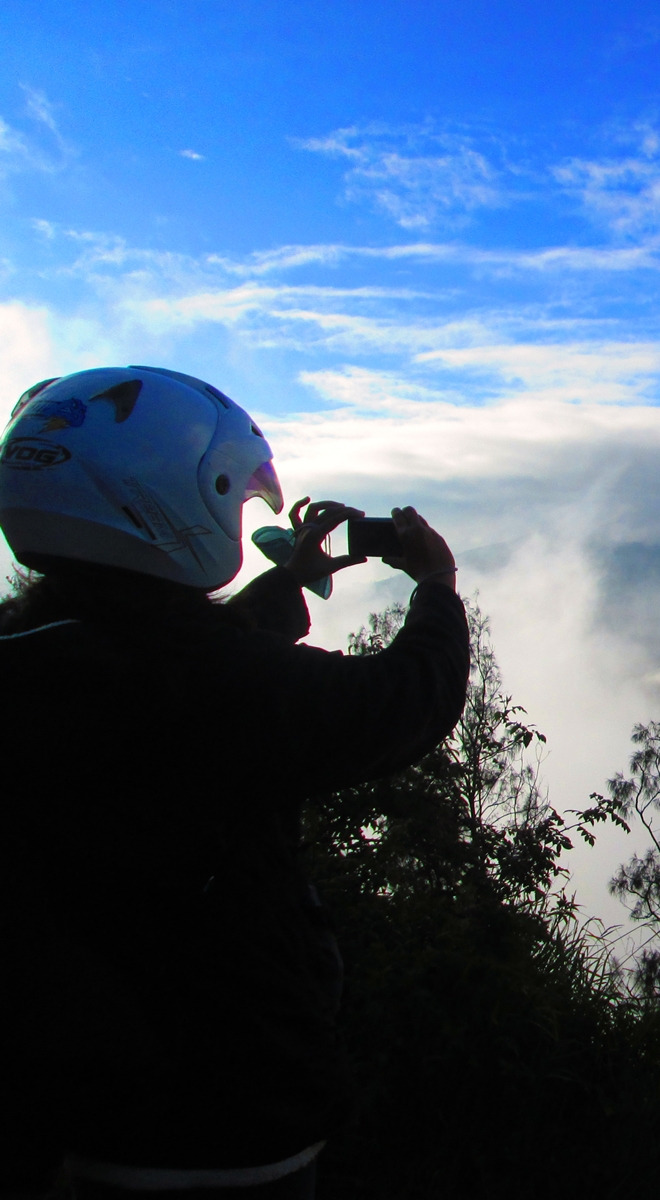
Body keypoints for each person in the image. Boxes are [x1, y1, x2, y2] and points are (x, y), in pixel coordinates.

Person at [0, 367, 470, 1199]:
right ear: (170, 497)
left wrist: (289, 581)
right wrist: (436, 585)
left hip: (66, 1110)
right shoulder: (212, 689)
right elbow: (406, 700)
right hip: (225, 1126)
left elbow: (169, 649)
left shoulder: (36, 660)